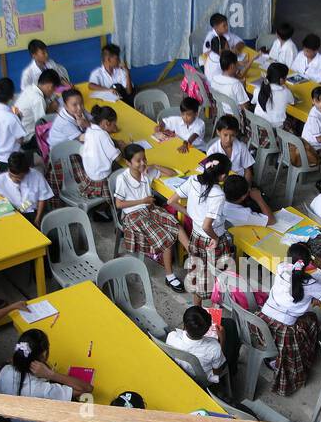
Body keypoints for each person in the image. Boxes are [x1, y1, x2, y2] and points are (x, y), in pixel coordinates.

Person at [0, 329, 94, 422]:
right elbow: (87, 389)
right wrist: (51, 374)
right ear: (44, 355)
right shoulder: (42, 390)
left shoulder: (6, 371)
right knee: (85, 417)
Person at [259, 241, 321, 395]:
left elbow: (293, 290)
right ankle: (301, 351)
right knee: (311, 319)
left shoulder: (281, 268)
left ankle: (274, 353)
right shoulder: (310, 283)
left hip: (263, 319)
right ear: (308, 263)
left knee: (309, 317)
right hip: (285, 330)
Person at [113, 143, 190, 292]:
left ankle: (195, 258)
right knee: (166, 237)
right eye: (138, 160)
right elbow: (119, 204)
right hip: (133, 215)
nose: (143, 163)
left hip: (150, 209)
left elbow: (172, 173)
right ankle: (169, 276)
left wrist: (155, 165)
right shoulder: (123, 179)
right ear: (128, 163)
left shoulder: (147, 172)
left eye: (144, 159)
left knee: (177, 226)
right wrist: (142, 201)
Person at [166, 153, 233, 304]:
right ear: (222, 176)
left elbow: (171, 201)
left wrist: (190, 213)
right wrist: (216, 238)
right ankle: (215, 312)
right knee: (217, 276)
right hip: (211, 239)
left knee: (199, 274)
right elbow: (207, 225)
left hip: (196, 236)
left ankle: (197, 308)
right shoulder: (218, 194)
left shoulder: (193, 180)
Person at [0, 149, 53, 223]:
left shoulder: (37, 176)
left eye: (19, 177)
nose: (14, 179)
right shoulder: (0, 180)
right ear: (8, 169)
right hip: (12, 213)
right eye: (11, 175)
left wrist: (37, 219)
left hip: (32, 212)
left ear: (27, 171)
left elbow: (42, 198)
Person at [206, 115, 265, 208]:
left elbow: (248, 170)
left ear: (236, 133)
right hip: (222, 184)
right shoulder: (212, 150)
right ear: (218, 132)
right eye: (225, 135)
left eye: (232, 135)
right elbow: (212, 174)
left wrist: (246, 189)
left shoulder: (241, 147)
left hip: (240, 183)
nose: (228, 139)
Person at [74, 105, 120, 210]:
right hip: (101, 179)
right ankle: (105, 208)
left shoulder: (90, 129)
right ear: (106, 123)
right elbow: (117, 158)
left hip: (90, 175)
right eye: (114, 124)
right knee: (122, 173)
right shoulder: (103, 135)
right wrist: (121, 148)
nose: (114, 127)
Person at [166, 305, 228, 385]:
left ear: (184, 325)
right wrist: (222, 339)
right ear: (207, 330)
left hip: (180, 372)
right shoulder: (214, 348)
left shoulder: (172, 336)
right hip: (203, 379)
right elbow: (217, 372)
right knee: (230, 326)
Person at [248, 62, 296, 154]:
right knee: (292, 123)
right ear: (282, 80)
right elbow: (292, 102)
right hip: (274, 134)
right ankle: (286, 153)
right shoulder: (285, 92)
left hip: (256, 131)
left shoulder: (259, 89)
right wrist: (286, 87)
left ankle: (254, 150)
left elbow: (253, 102)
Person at [0, 77, 28, 170]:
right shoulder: (12, 117)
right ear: (12, 96)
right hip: (13, 158)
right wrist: (18, 120)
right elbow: (21, 140)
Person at [14, 68, 60, 139]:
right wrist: (51, 110)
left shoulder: (30, 88)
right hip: (27, 137)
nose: (53, 93)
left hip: (17, 132)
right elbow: (42, 126)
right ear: (50, 87)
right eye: (53, 90)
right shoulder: (38, 99)